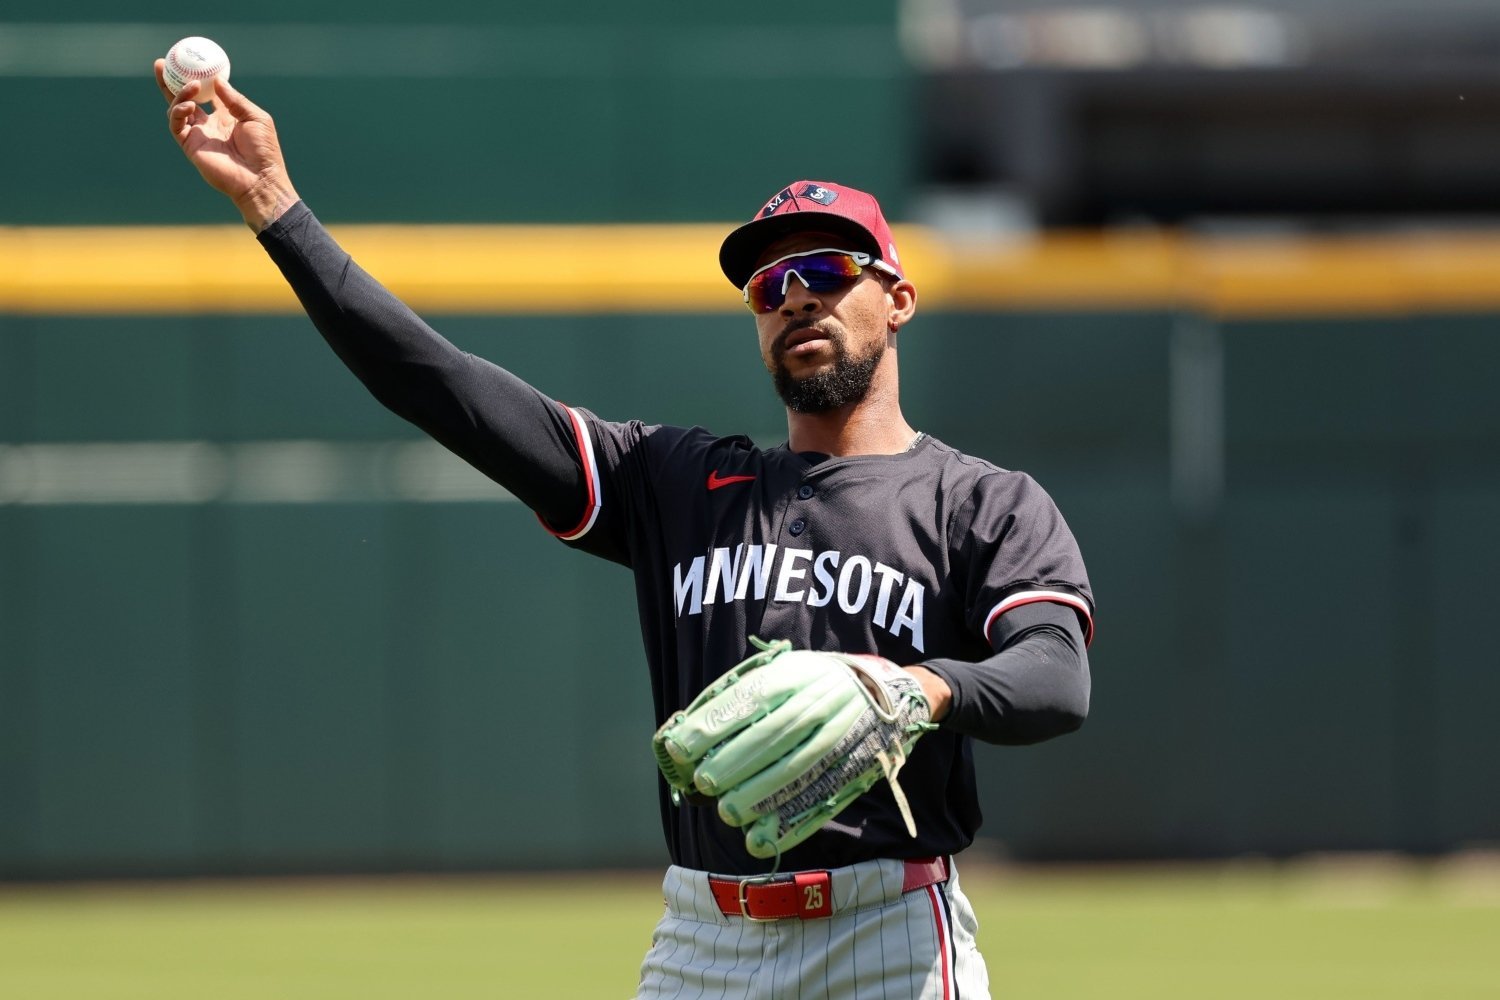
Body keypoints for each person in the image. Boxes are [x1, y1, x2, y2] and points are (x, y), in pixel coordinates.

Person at [156, 63, 1094, 1000]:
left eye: (825, 271)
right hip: (703, 939)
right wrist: (277, 207)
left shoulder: (981, 501)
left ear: (897, 297)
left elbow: (1054, 672)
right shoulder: (677, 484)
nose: (795, 299)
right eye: (769, 287)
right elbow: (433, 381)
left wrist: (917, 687)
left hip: (890, 935)